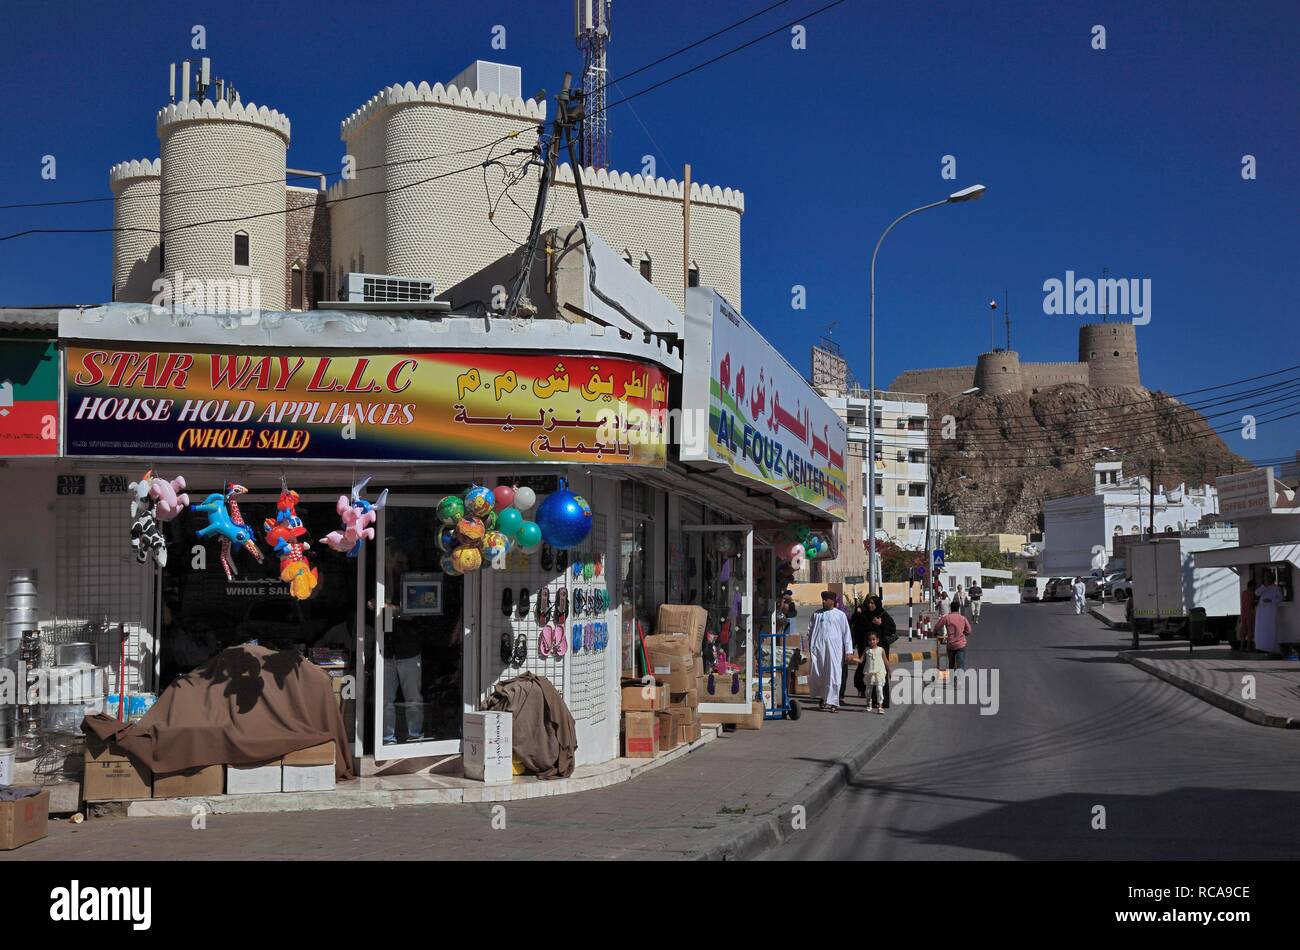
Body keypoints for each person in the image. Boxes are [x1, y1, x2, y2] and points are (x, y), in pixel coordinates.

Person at [806, 590, 854, 712]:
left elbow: (846, 634)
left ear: (832, 601)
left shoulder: (840, 615)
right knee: (820, 673)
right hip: (818, 650)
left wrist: (848, 651)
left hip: (835, 650)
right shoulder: (816, 614)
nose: (823, 601)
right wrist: (808, 648)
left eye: (825, 599)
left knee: (834, 675)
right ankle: (823, 698)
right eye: (822, 599)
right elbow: (810, 632)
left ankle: (834, 702)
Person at [854, 594, 896, 706]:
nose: (870, 605)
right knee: (869, 674)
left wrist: (881, 624)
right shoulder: (863, 615)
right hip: (867, 649)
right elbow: (856, 629)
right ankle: (872, 700)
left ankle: (882, 701)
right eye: (868, 603)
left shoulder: (883, 615)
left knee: (881, 674)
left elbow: (892, 629)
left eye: (872, 603)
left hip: (881, 649)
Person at [933, 601, 972, 672]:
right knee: (961, 664)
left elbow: (937, 626)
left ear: (951, 608)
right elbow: (969, 630)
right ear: (958, 608)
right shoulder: (963, 618)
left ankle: (952, 679)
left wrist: (935, 633)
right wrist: (965, 633)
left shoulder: (947, 618)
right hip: (961, 645)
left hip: (951, 645)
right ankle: (960, 680)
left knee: (951, 663)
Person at [1254, 572, 1283, 655]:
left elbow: (1280, 598)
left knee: (1269, 629)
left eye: (1268, 577)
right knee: (1260, 630)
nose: (1266, 578)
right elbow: (1256, 593)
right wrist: (1264, 586)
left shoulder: (1276, 588)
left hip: (1270, 612)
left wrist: (1271, 601)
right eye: (1265, 577)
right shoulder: (1263, 587)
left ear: (1272, 578)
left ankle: (1269, 647)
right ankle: (1260, 647)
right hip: (1261, 612)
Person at [862, 631, 889, 714]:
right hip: (869, 673)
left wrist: (890, 671)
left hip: (879, 673)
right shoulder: (867, 650)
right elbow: (860, 660)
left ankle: (880, 706)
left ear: (877, 640)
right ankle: (868, 704)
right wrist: (852, 659)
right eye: (870, 640)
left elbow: (886, 661)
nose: (872, 641)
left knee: (879, 690)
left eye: (874, 639)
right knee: (868, 691)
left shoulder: (881, 650)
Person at [1238, 580, 1257, 652]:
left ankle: (1242, 647)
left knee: (1243, 631)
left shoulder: (1243, 593)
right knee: (1250, 630)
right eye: (1254, 586)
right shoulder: (1252, 593)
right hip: (1250, 613)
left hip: (1243, 613)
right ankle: (1249, 647)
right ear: (1252, 586)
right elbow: (1252, 604)